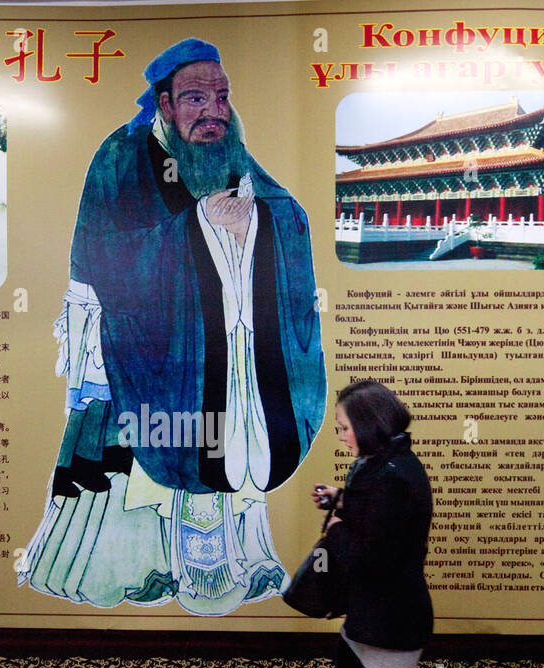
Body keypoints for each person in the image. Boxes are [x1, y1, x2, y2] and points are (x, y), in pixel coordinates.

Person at [17, 37, 325, 614]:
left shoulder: (227, 151)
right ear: (163, 104)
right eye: (195, 99)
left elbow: (285, 213)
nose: (214, 113)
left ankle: (234, 560)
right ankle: (143, 566)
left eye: (222, 97)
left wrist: (255, 222)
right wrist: (198, 226)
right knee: (135, 457)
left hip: (223, 351)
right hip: (138, 346)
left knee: (227, 436)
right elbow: (103, 254)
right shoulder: (120, 155)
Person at [285, 380, 539, 668]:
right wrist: (341, 498)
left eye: (343, 427)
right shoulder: (384, 465)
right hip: (371, 617)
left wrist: (338, 529)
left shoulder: (395, 476)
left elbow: (375, 559)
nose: (340, 436)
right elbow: (378, 520)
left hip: (389, 623)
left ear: (366, 425)